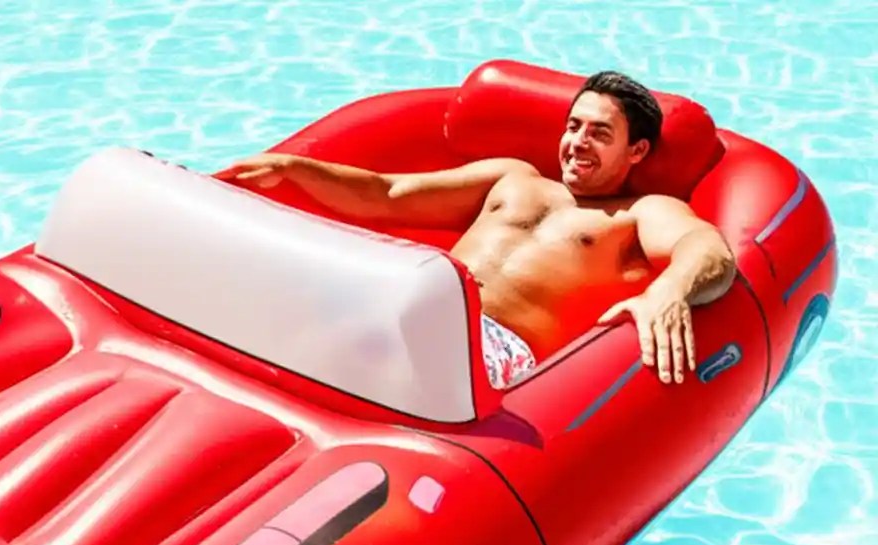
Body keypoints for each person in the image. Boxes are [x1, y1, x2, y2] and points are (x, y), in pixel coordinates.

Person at [215, 71, 737, 389]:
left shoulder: (639, 213)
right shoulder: (513, 177)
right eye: (573, 126)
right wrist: (295, 168)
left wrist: (669, 290)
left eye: (600, 134)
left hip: (488, 348)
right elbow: (387, 193)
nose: (578, 142)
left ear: (636, 151)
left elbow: (706, 248)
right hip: (408, 311)